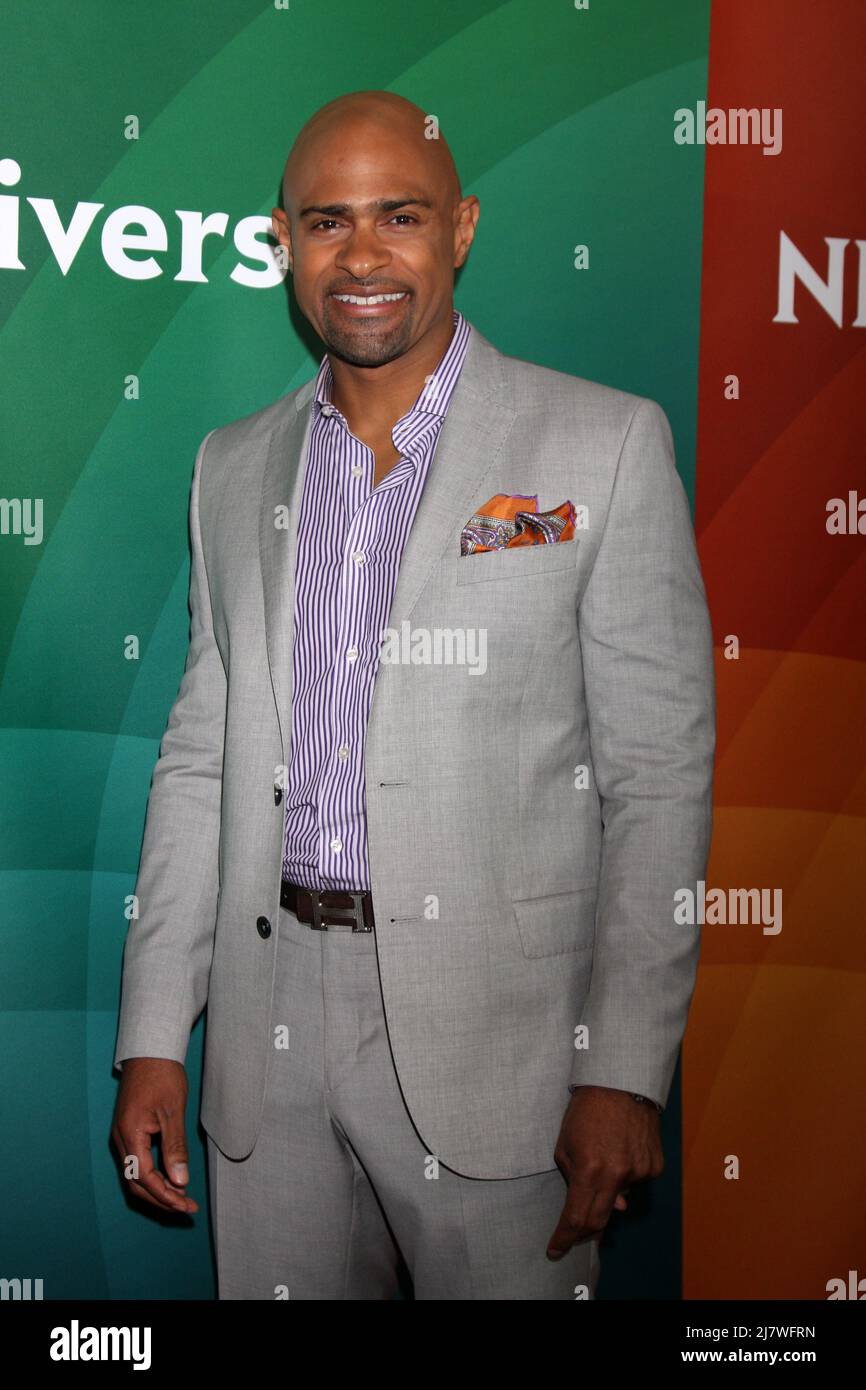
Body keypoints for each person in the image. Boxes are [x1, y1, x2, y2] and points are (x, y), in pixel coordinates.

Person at [111, 89, 716, 1300]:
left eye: (400, 214)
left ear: (462, 229)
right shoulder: (231, 467)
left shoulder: (600, 444)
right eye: (327, 221)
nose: (363, 254)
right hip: (265, 1036)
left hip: (505, 1047)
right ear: (282, 240)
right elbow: (199, 761)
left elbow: (656, 779)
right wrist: (151, 1033)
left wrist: (622, 1067)